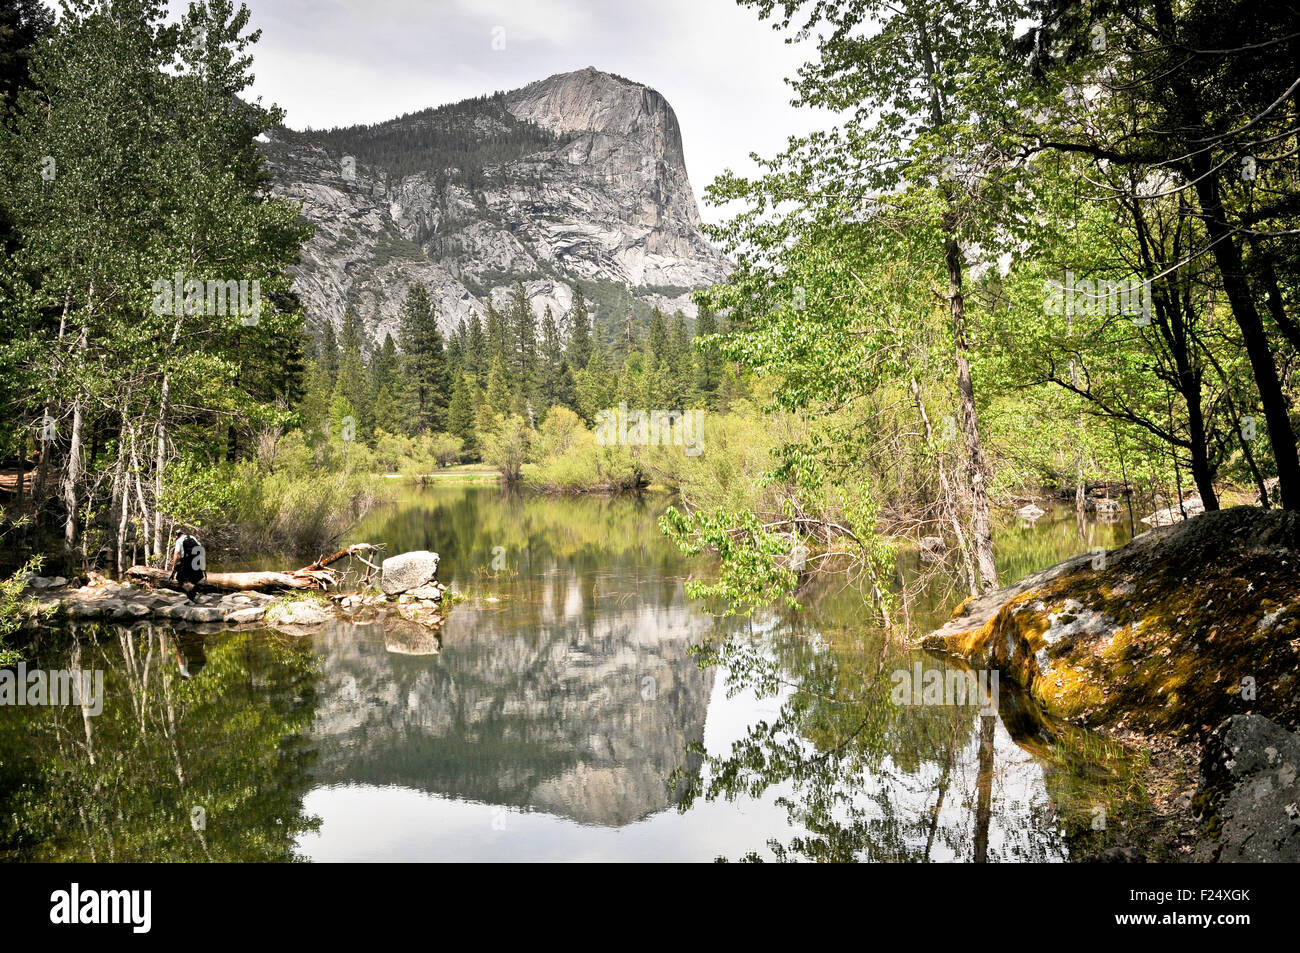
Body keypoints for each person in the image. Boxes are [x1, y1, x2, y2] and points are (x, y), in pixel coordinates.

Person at [168, 527, 206, 601]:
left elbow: (176, 554)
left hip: (186, 561)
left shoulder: (179, 541)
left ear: (178, 535)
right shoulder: (192, 537)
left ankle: (191, 595)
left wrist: (173, 565)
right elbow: (200, 548)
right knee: (194, 578)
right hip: (196, 560)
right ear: (183, 533)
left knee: (179, 577)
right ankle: (193, 594)